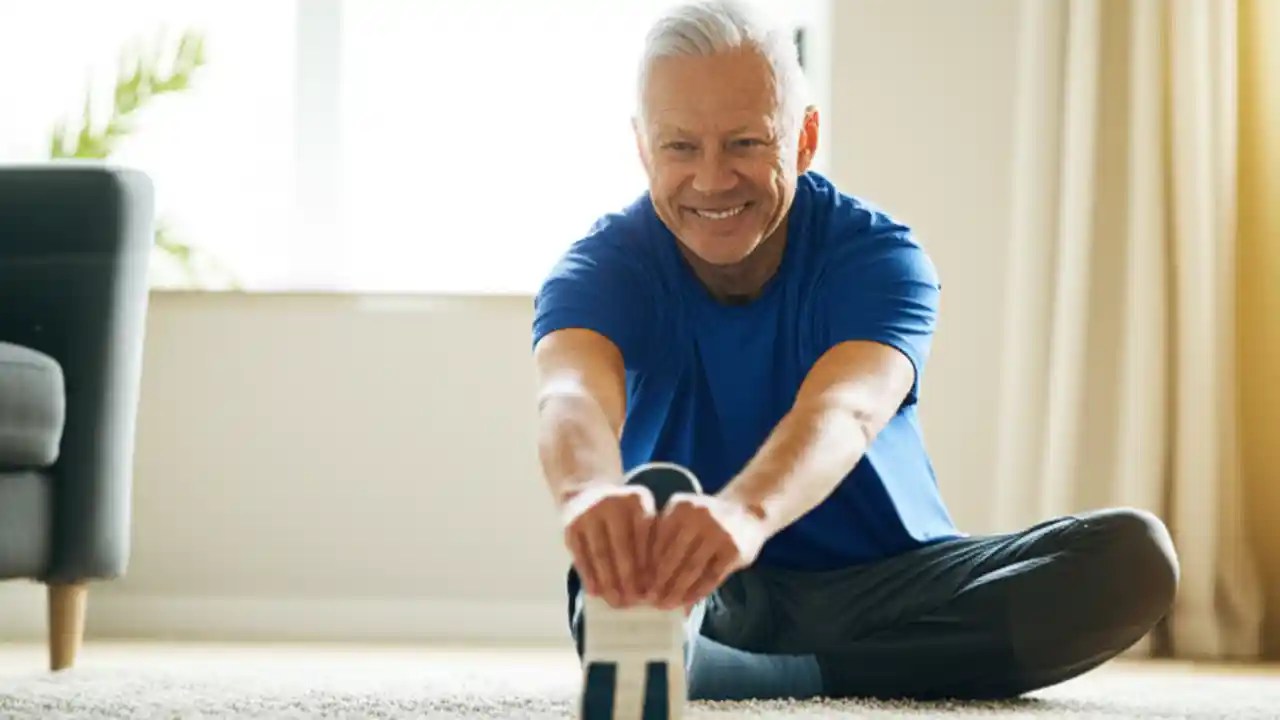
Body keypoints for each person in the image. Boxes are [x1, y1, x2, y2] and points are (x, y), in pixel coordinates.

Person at [530, 0, 1179, 710]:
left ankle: (752, 674)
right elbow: (571, 394)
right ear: (643, 148)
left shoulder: (878, 257)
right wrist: (587, 494)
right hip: (699, 584)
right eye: (681, 147)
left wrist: (745, 516)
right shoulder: (602, 266)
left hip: (887, 584)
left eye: (745, 143)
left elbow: (847, 409)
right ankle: (687, 639)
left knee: (1132, 559)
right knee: (630, 552)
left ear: (804, 138)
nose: (712, 180)